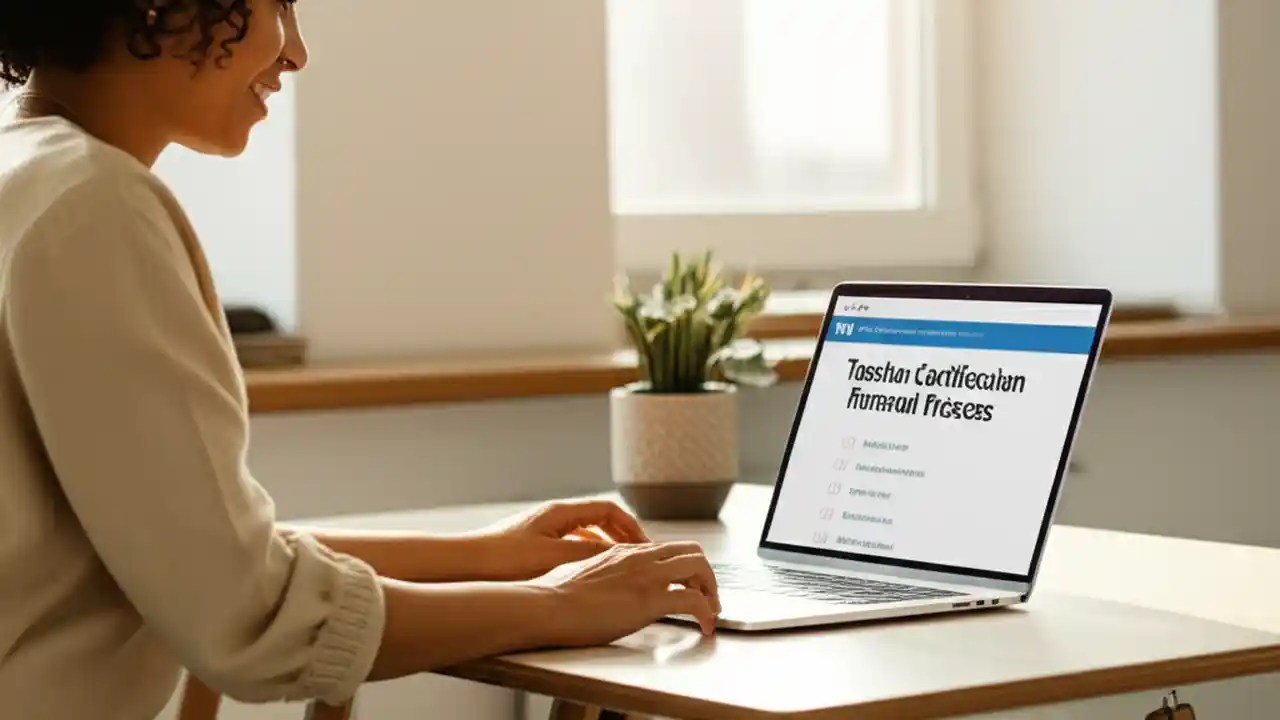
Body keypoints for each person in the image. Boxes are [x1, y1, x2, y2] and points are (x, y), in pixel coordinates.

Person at [0, 2, 720, 717]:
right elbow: (248, 610)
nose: (296, 53)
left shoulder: (28, 171)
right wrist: (559, 605)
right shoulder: (95, 208)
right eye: (276, 6)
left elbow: (196, 549)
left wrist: (483, 556)